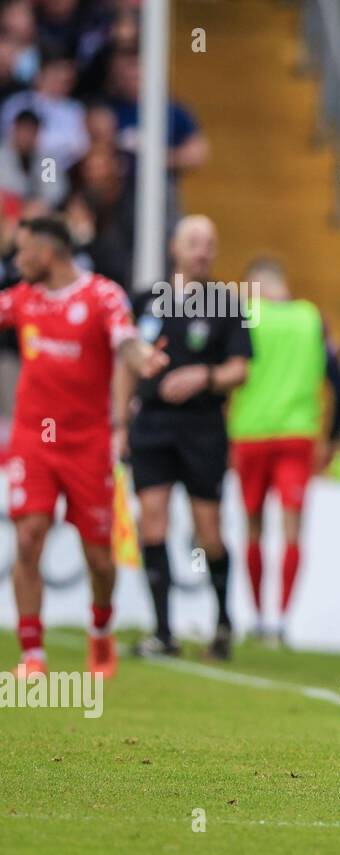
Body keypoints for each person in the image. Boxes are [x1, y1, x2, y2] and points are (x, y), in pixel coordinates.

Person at [1, 215, 167, 677]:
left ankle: (100, 630)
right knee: (29, 537)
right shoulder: (24, 298)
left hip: (87, 444)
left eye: (23, 252)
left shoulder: (101, 296)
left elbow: (126, 340)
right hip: (34, 439)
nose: (17, 261)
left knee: (98, 556)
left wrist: (143, 357)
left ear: (47, 254)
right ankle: (32, 654)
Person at [122, 215, 251, 660]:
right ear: (174, 247)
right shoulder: (146, 300)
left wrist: (205, 375)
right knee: (151, 519)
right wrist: (120, 422)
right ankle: (163, 631)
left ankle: (222, 622)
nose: (202, 250)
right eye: (194, 241)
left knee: (208, 531)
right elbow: (127, 362)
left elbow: (240, 369)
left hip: (202, 428)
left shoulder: (226, 303)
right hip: (152, 426)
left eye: (209, 243)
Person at [227, 257, 340, 644]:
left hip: (250, 433)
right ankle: (281, 622)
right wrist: (332, 437)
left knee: (254, 526)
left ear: (254, 284)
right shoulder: (311, 318)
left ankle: (259, 618)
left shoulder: (243, 313)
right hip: (298, 435)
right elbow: (339, 382)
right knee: (293, 529)